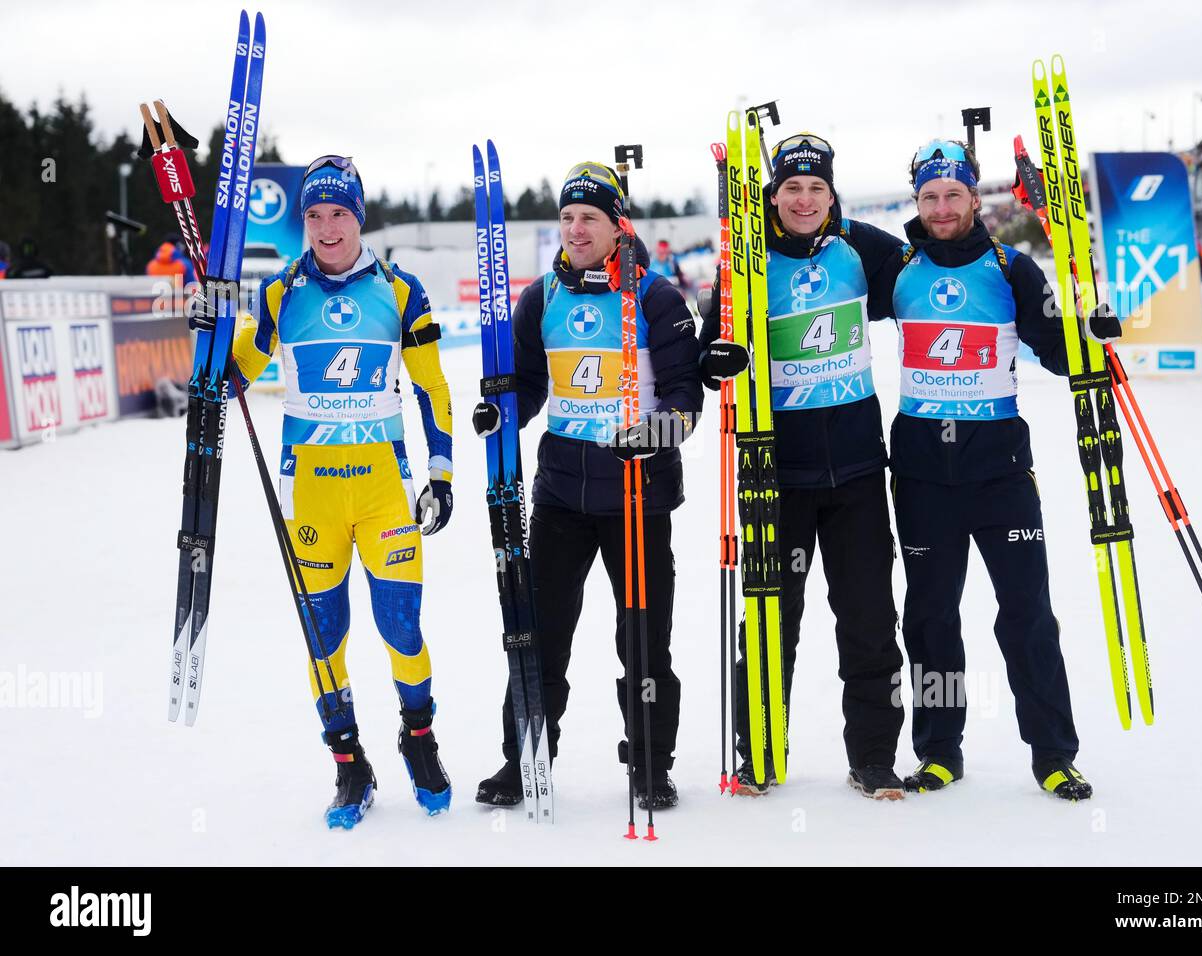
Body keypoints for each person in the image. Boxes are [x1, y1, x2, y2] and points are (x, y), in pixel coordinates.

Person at [872, 140, 1118, 801]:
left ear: (975, 200)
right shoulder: (896, 266)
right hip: (922, 473)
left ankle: (1054, 756)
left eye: (953, 195)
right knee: (929, 616)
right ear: (916, 203)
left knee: (1027, 613)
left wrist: (1091, 331)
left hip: (1001, 473)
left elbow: (1061, 352)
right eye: (929, 197)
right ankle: (939, 752)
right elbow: (818, 269)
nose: (942, 208)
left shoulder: (1012, 269)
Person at [220, 156, 456, 828]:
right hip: (313, 500)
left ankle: (419, 740)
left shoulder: (401, 292)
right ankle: (348, 764)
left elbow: (433, 388)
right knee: (325, 640)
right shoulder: (277, 295)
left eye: (339, 213)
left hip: (386, 495)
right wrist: (208, 339)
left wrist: (441, 473)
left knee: (401, 628)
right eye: (315, 215)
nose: (326, 227)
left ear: (359, 216)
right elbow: (234, 374)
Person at [472, 161, 703, 811]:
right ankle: (522, 761)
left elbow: (687, 397)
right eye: (567, 217)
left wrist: (656, 432)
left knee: (643, 638)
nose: (575, 229)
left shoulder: (656, 298)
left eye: (589, 217)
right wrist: (501, 409)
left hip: (637, 495)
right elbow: (526, 387)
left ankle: (651, 763)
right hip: (560, 497)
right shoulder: (541, 298)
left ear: (615, 224)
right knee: (539, 635)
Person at [698, 132, 907, 800]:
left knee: (870, 620)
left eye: (816, 187)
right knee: (768, 619)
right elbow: (708, 357)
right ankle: (759, 750)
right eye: (793, 186)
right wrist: (720, 362)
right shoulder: (746, 261)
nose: (805, 198)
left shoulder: (861, 247)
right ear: (774, 193)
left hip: (856, 473)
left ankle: (873, 756)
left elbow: (933, 268)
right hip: (773, 476)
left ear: (831, 192)